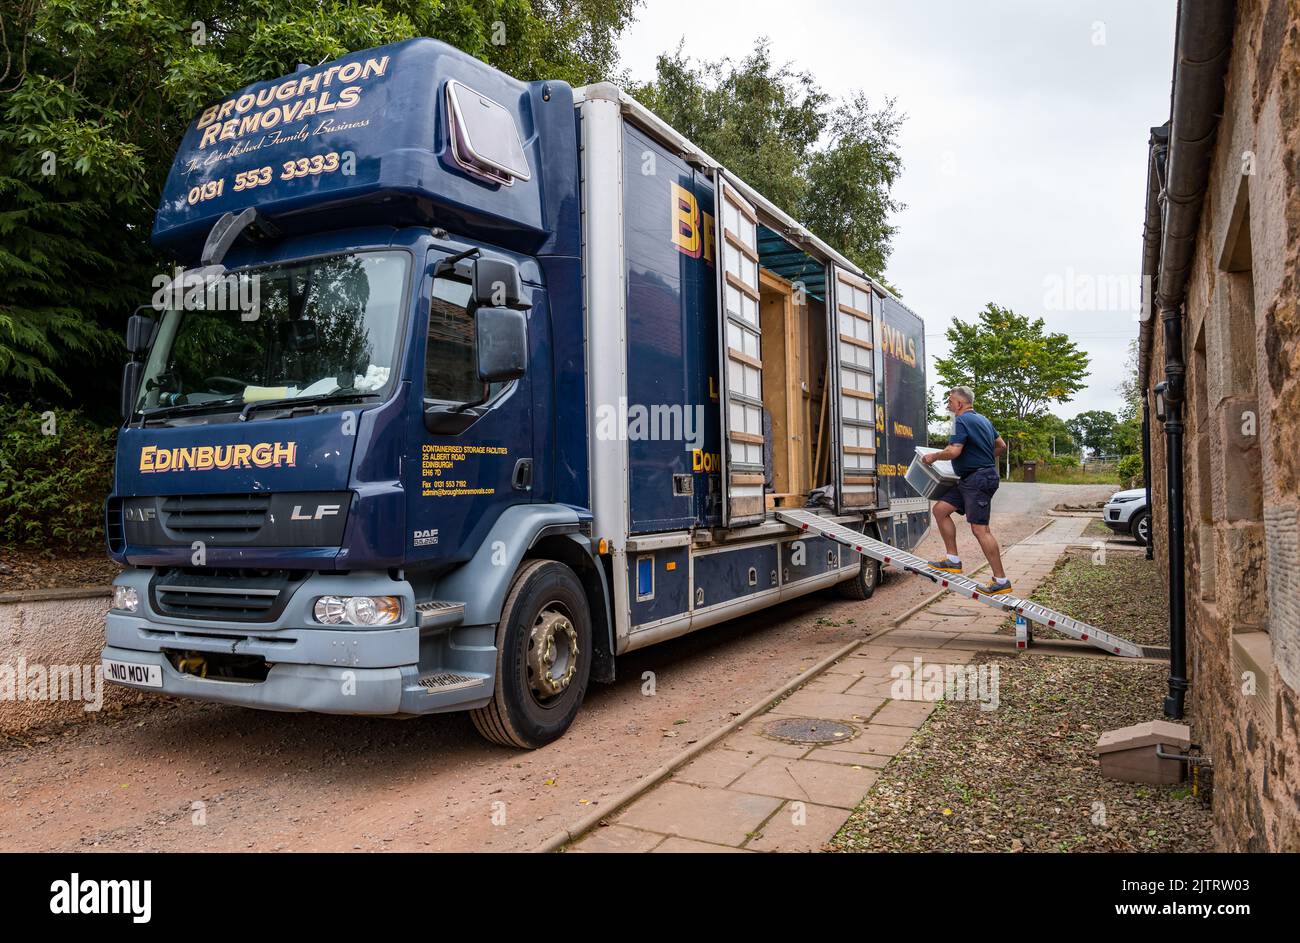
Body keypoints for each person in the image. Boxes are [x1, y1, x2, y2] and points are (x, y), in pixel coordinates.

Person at [921, 386, 1011, 595]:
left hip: (977, 480)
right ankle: (952, 559)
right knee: (941, 510)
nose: (949, 405)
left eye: (950, 401)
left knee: (980, 530)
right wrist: (983, 456)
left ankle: (1000, 580)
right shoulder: (984, 420)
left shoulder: (959, 421)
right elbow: (1001, 446)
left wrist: (933, 457)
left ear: (959, 403)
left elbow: (954, 451)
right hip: (971, 479)